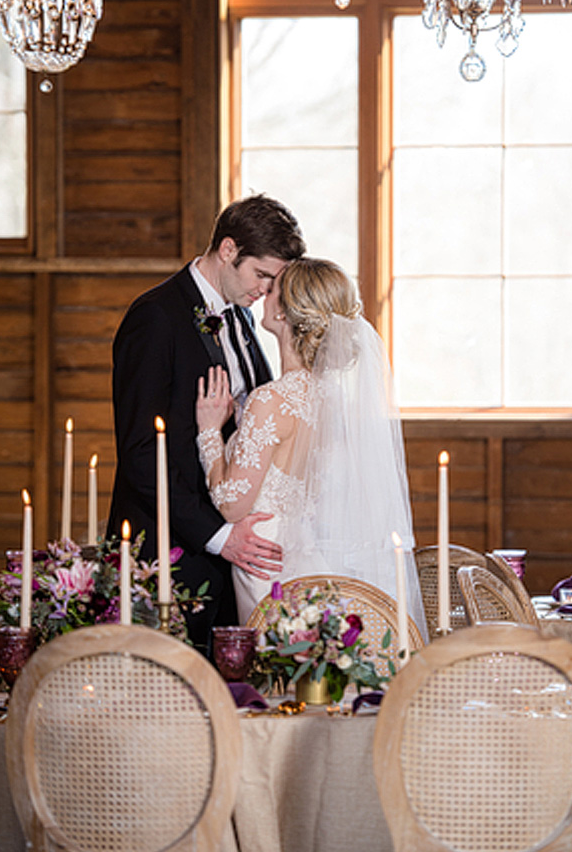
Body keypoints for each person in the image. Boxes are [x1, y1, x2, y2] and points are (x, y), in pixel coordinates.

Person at [108, 194, 306, 650]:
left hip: (236, 563)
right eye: (262, 276)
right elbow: (141, 454)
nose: (266, 292)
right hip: (171, 559)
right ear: (229, 250)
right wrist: (219, 537)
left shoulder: (245, 320)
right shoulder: (155, 317)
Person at [195, 257, 426, 633]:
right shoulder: (334, 401)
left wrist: (208, 432)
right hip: (304, 554)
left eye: (272, 291)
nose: (263, 295)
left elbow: (232, 503)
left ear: (285, 313)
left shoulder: (271, 400)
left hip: (264, 559)